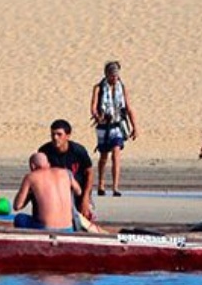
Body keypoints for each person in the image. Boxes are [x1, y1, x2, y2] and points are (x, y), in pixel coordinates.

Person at [91, 60, 138, 197]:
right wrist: (97, 116)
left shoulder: (122, 87)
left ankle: (115, 187)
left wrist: (135, 127)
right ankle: (101, 184)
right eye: (112, 75)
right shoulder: (98, 88)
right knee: (104, 156)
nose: (114, 78)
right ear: (106, 74)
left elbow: (128, 108)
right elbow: (93, 107)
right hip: (103, 126)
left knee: (116, 154)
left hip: (117, 125)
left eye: (116, 75)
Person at [38, 119, 95, 219]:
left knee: (85, 217)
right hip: (55, 192)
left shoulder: (78, 151)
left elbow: (90, 172)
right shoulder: (45, 151)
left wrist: (86, 198)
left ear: (68, 136)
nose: (55, 138)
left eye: (59, 134)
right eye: (53, 134)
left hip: (78, 191)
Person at [13, 152, 80, 231]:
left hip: (46, 228)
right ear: (48, 164)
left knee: (19, 218)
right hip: (68, 228)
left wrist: (30, 194)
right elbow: (78, 191)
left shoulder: (31, 177)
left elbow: (17, 206)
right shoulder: (66, 173)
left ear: (32, 166)